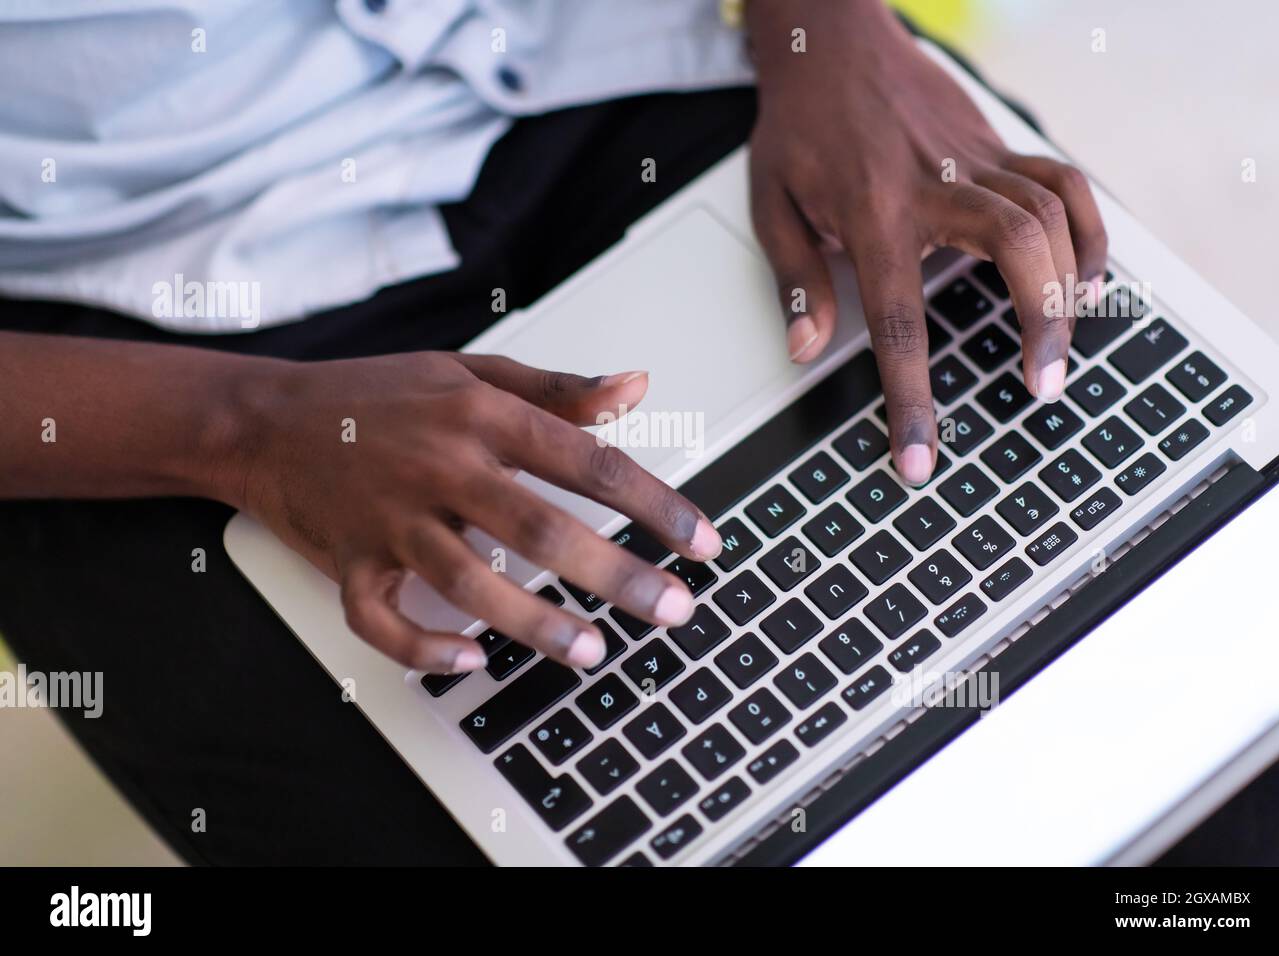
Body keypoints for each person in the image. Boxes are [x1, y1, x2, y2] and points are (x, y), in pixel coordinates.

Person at [0, 0, 1107, 863]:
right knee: (548, 792)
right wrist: (245, 427)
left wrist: (832, 32)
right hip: (139, 336)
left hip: (622, 56)